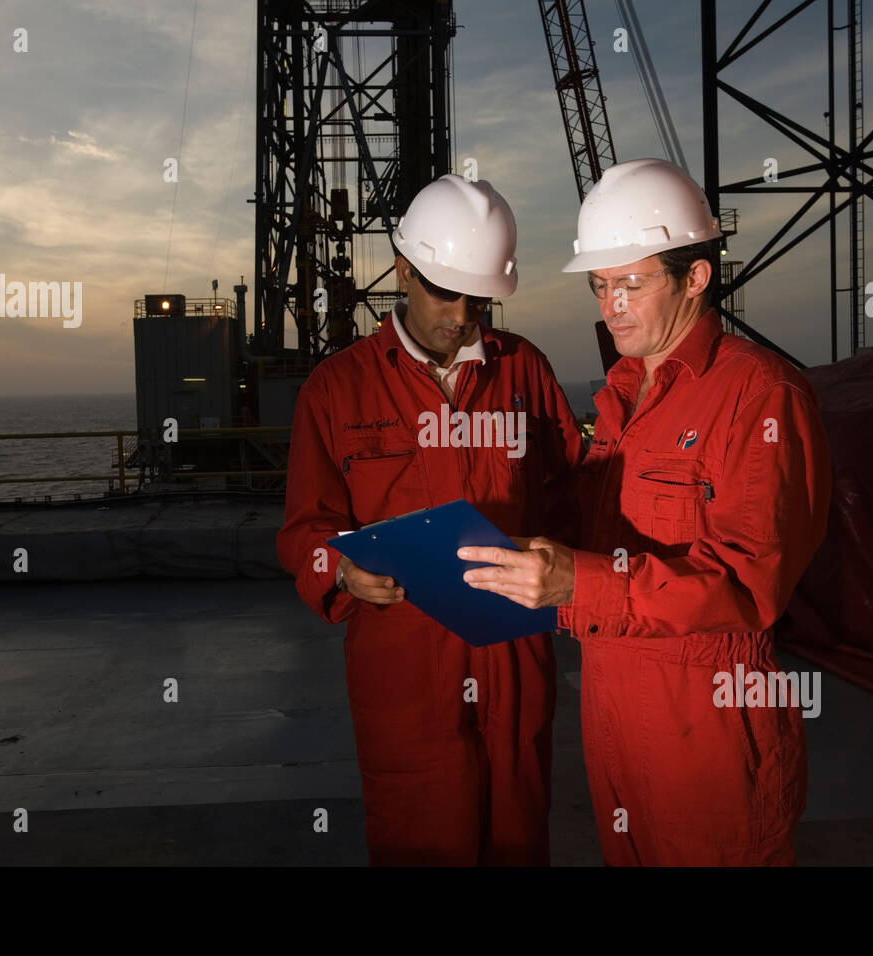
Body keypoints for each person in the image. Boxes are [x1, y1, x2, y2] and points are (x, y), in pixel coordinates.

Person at [460, 158, 832, 865]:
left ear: (697, 277)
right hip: (613, 715)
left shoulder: (760, 395)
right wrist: (531, 563)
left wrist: (581, 583)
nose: (612, 306)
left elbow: (750, 584)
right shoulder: (621, 398)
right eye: (601, 286)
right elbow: (605, 548)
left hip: (709, 725)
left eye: (632, 283)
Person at [276, 173, 583, 865]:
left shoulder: (524, 371)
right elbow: (304, 530)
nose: (463, 313)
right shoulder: (337, 388)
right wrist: (342, 572)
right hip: (404, 662)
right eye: (446, 291)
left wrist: (569, 572)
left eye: (479, 297)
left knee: (517, 834)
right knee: (421, 837)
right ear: (404, 271)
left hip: (513, 654)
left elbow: (573, 499)